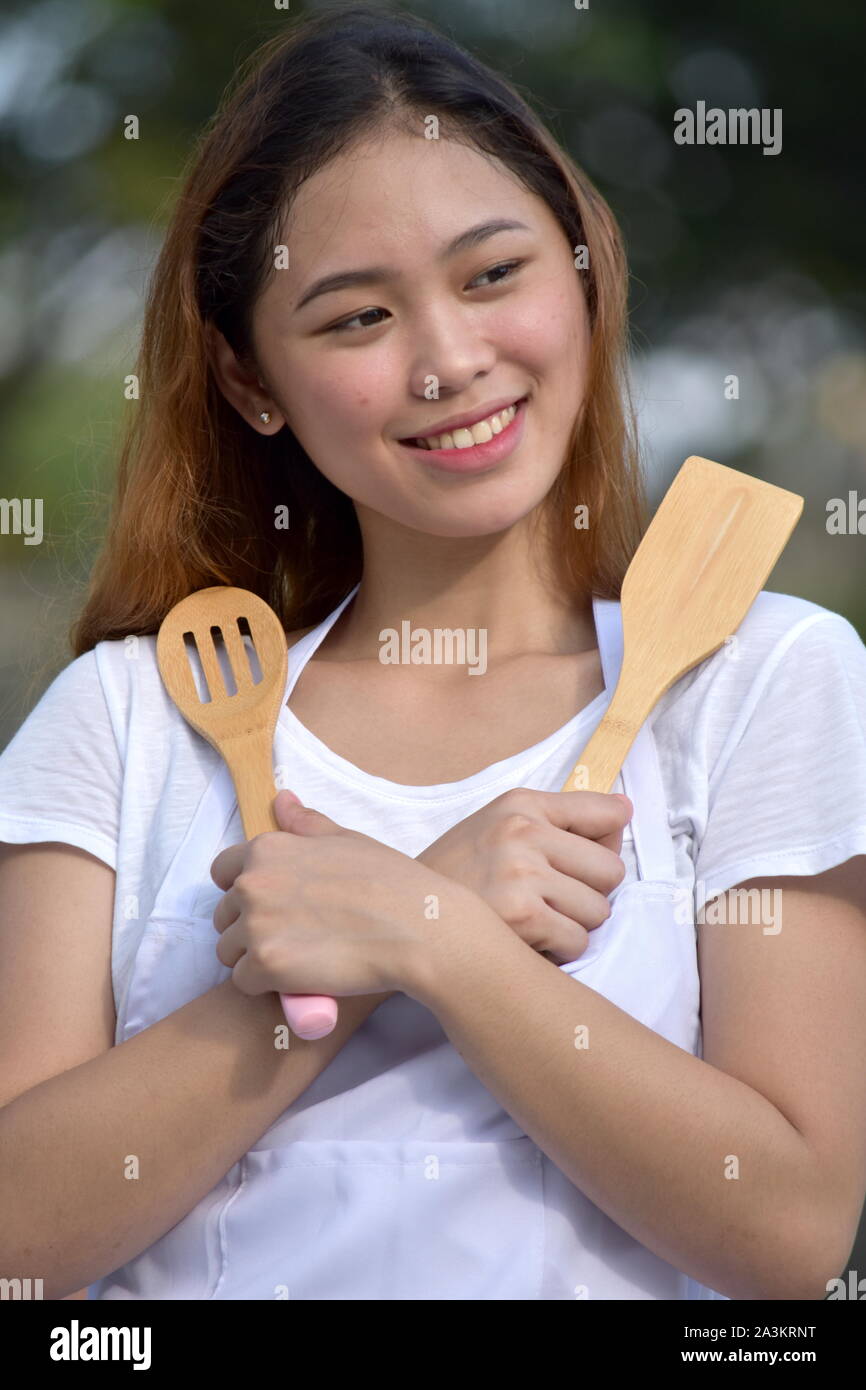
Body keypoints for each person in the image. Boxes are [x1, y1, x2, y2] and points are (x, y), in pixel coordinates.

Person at [1, 5, 865, 1302]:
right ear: (250, 381)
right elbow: (17, 1237)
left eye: (492, 274)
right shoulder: (133, 713)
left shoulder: (762, 677)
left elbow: (788, 1234)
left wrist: (427, 933)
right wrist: (345, 956)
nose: (449, 361)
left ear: (580, 270)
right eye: (356, 319)